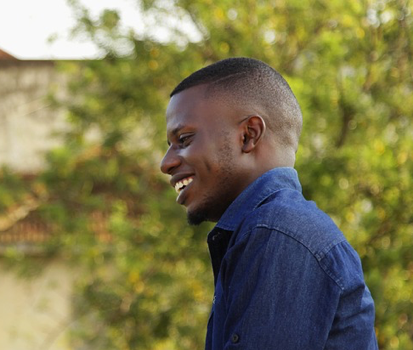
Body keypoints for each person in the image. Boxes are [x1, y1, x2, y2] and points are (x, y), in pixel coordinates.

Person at [160, 57, 377, 349]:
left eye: (184, 139)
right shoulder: (270, 229)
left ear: (248, 136)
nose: (166, 162)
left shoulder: (279, 231)